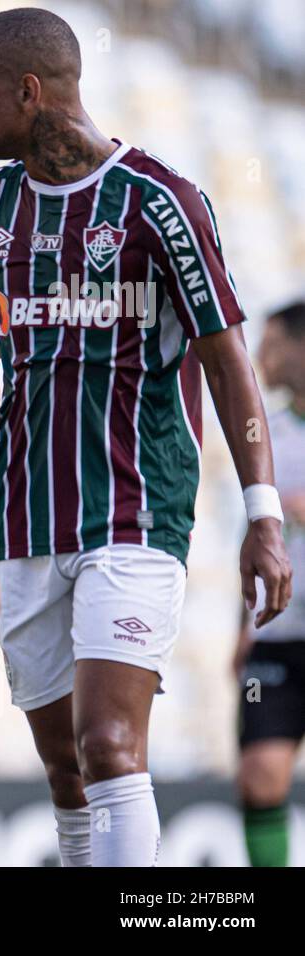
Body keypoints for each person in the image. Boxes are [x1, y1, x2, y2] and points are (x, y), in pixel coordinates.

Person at [0, 6, 291, 866]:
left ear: (27, 92)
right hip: (25, 518)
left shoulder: (160, 202)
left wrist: (262, 516)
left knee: (108, 744)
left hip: (137, 511)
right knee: (65, 766)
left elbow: (229, 361)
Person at [234, 301, 305, 867]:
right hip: (276, 636)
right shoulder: (268, 432)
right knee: (259, 775)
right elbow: (253, 536)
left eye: (274, 343)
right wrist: (241, 624)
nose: (262, 355)